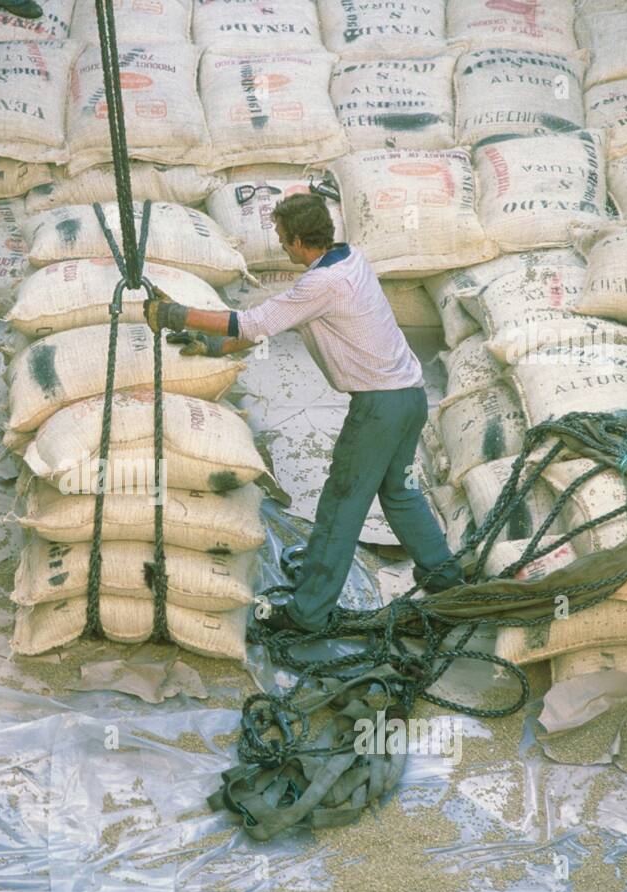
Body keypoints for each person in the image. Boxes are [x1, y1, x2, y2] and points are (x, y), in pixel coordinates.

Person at [144, 192, 463, 634]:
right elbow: (266, 326)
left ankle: (308, 612)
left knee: (339, 505)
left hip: (379, 409)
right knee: (399, 490)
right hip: (409, 398)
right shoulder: (349, 260)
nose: (278, 244)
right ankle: (445, 577)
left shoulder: (320, 285)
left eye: (279, 236)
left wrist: (177, 314)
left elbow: (250, 323)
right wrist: (215, 345)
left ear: (297, 241)